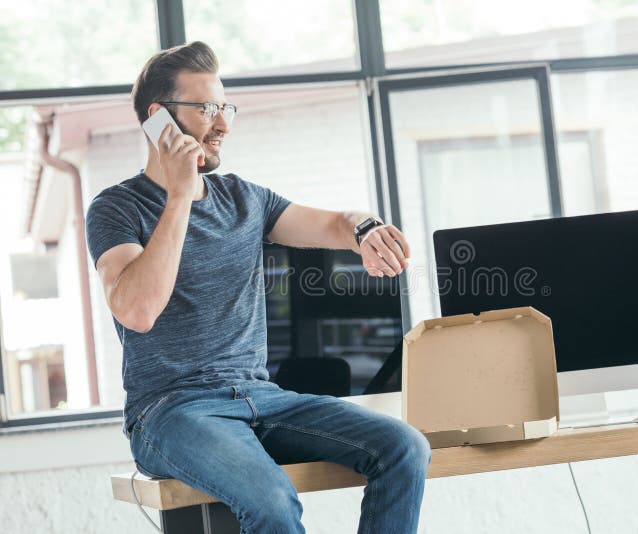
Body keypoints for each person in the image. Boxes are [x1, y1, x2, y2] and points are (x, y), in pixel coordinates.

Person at [85, 41, 431, 534]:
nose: (223, 124)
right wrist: (180, 195)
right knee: (271, 501)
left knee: (404, 447)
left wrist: (364, 228)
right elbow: (137, 310)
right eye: (206, 109)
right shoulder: (117, 208)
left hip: (261, 397)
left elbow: (335, 223)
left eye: (225, 108)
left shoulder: (245, 199)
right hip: (170, 412)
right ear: (158, 119)